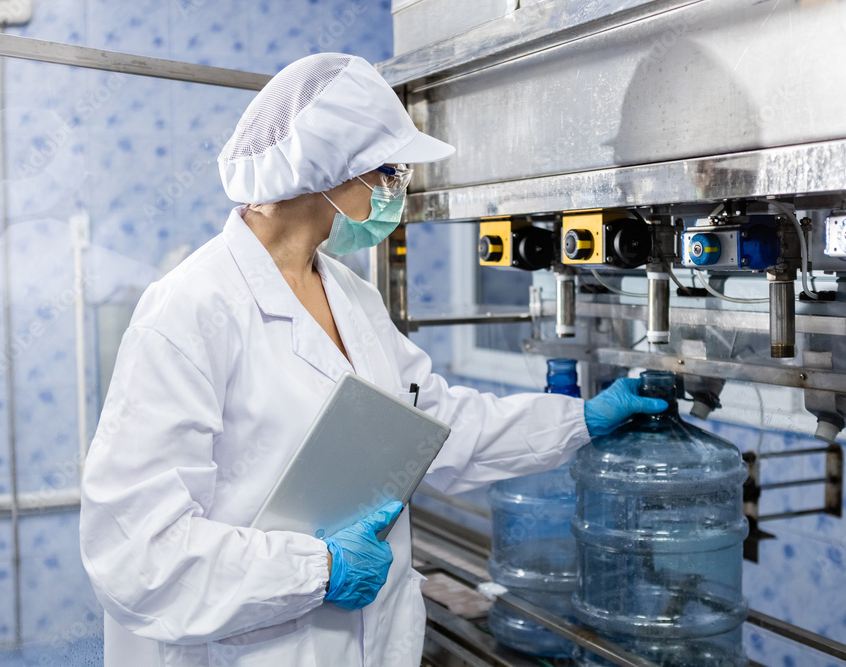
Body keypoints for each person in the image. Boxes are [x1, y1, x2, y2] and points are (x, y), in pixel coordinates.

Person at [78, 53, 667, 667]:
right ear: (328, 168)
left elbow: (433, 427)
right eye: (390, 171)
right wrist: (318, 570)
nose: (397, 190)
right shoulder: (189, 310)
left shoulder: (352, 295)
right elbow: (136, 551)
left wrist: (579, 421)